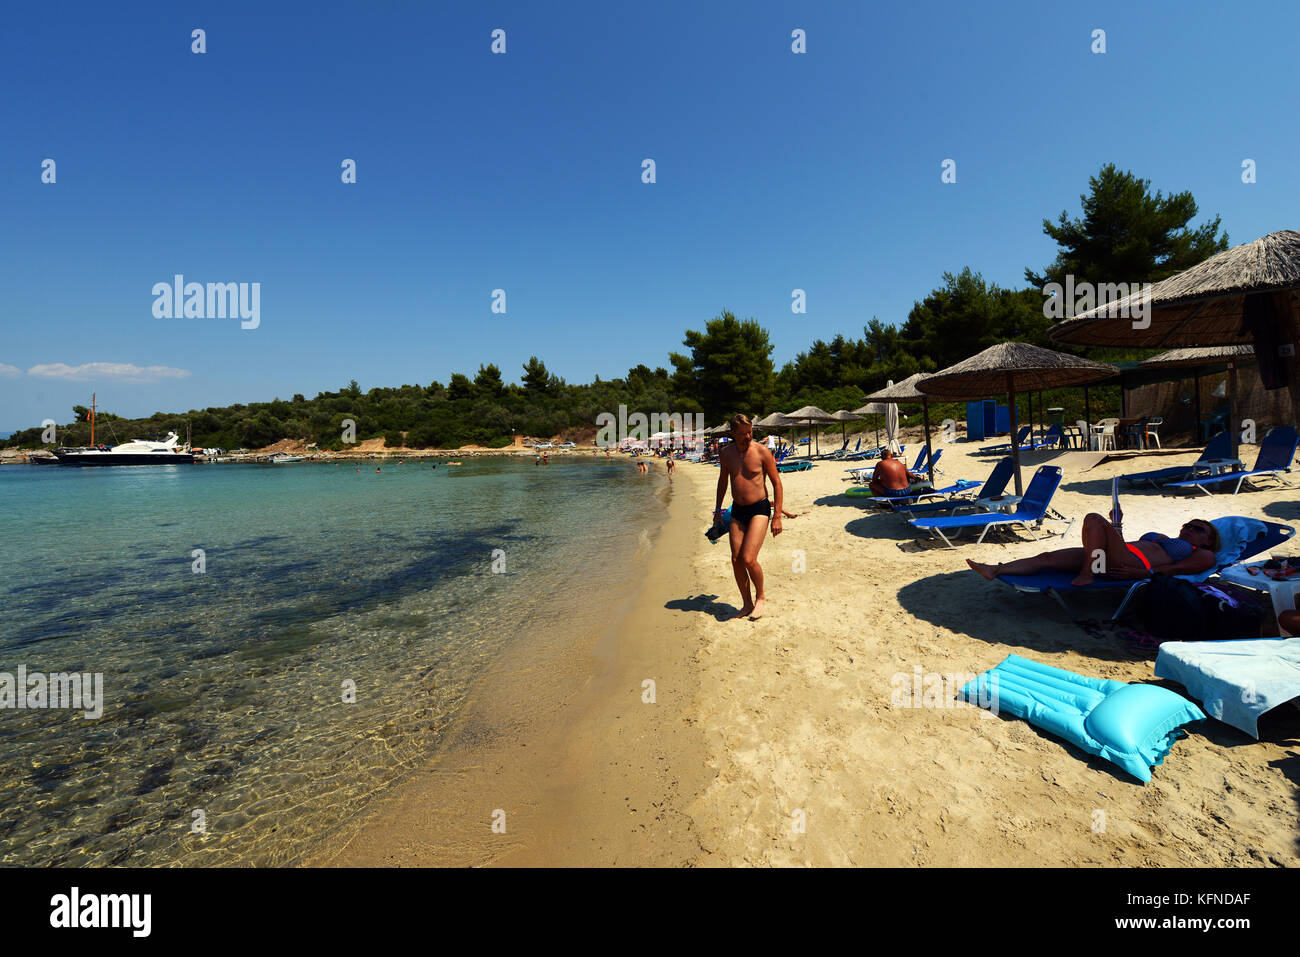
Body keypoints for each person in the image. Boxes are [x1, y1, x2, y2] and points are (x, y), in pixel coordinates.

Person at [967, 514, 1220, 587]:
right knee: (1047, 559)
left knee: (1094, 520)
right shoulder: (1164, 538)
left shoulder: (1203, 553)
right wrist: (1117, 525)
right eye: (1187, 524)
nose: (1189, 528)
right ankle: (995, 569)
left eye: (1198, 528)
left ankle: (1089, 572)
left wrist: (1142, 574)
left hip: (1130, 565)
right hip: (1113, 555)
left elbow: (1175, 569)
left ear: (1208, 540)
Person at [715, 413, 784, 621]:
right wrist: (717, 512)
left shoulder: (762, 452)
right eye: (743, 433)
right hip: (737, 510)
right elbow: (723, 482)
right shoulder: (726, 454)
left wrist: (778, 516)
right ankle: (746, 603)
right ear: (733, 433)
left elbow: (777, 483)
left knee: (748, 558)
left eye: (750, 432)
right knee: (736, 559)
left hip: (759, 509)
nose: (748, 436)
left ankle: (760, 597)